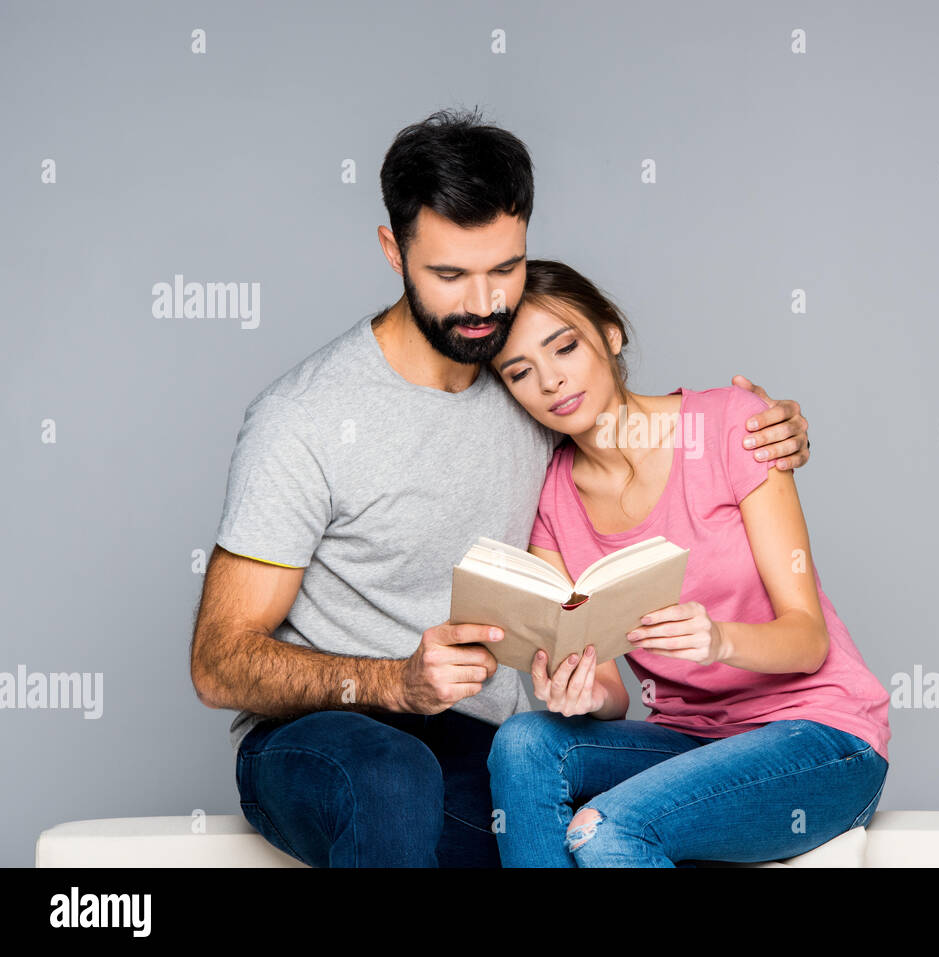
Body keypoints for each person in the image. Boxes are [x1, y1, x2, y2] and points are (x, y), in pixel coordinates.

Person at [188, 108, 813, 868]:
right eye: (449, 275)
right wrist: (396, 682)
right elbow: (218, 662)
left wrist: (769, 425)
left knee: (582, 820)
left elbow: (638, 423)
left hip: (480, 736)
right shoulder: (304, 420)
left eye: (505, 268)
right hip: (328, 732)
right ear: (393, 251)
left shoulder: (525, 381)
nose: (483, 303)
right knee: (393, 779)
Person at [484, 260, 892, 867]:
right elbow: (609, 694)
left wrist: (719, 640)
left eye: (564, 347)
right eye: (521, 372)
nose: (550, 381)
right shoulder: (553, 500)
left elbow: (808, 640)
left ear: (610, 335)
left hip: (819, 739)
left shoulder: (731, 425)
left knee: (607, 831)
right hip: (687, 743)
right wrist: (574, 693)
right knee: (524, 741)